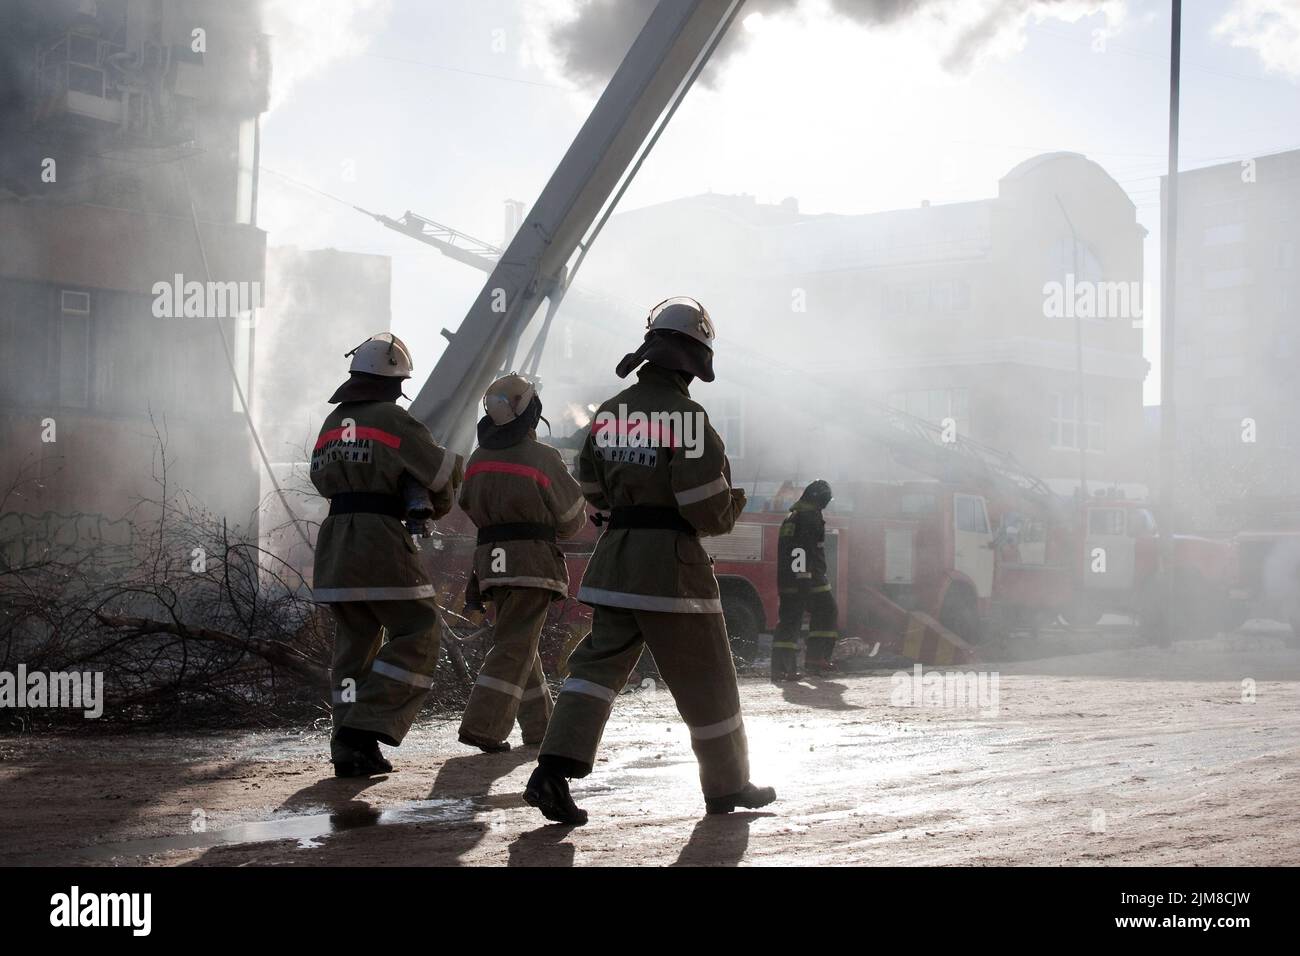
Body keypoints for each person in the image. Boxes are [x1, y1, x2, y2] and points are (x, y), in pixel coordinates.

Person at [523, 297, 776, 825]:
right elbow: (704, 507)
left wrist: (622, 504)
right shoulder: (687, 417)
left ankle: (551, 769)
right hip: (672, 571)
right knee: (708, 679)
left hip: (615, 564)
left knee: (594, 670)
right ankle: (727, 785)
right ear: (694, 362)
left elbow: (588, 481)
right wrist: (733, 504)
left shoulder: (611, 410)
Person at [309, 333, 462, 777]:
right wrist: (451, 474)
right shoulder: (396, 421)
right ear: (394, 382)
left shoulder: (332, 423)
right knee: (419, 629)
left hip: (336, 541)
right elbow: (436, 474)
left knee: (353, 647)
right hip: (377, 537)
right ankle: (365, 727)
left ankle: (348, 749)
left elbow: (321, 478)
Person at [456, 373, 586, 753]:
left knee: (518, 640)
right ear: (532, 413)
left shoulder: (478, 459)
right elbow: (572, 517)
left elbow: (466, 503)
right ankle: (483, 725)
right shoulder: (542, 457)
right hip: (531, 563)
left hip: (491, 565)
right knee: (515, 644)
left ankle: (539, 727)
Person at [772, 479, 839, 681]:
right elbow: (801, 550)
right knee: (828, 610)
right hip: (809, 579)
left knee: (790, 620)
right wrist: (803, 581)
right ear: (821, 499)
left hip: (789, 578)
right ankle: (816, 658)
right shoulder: (808, 517)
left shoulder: (793, 516)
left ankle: (782, 667)